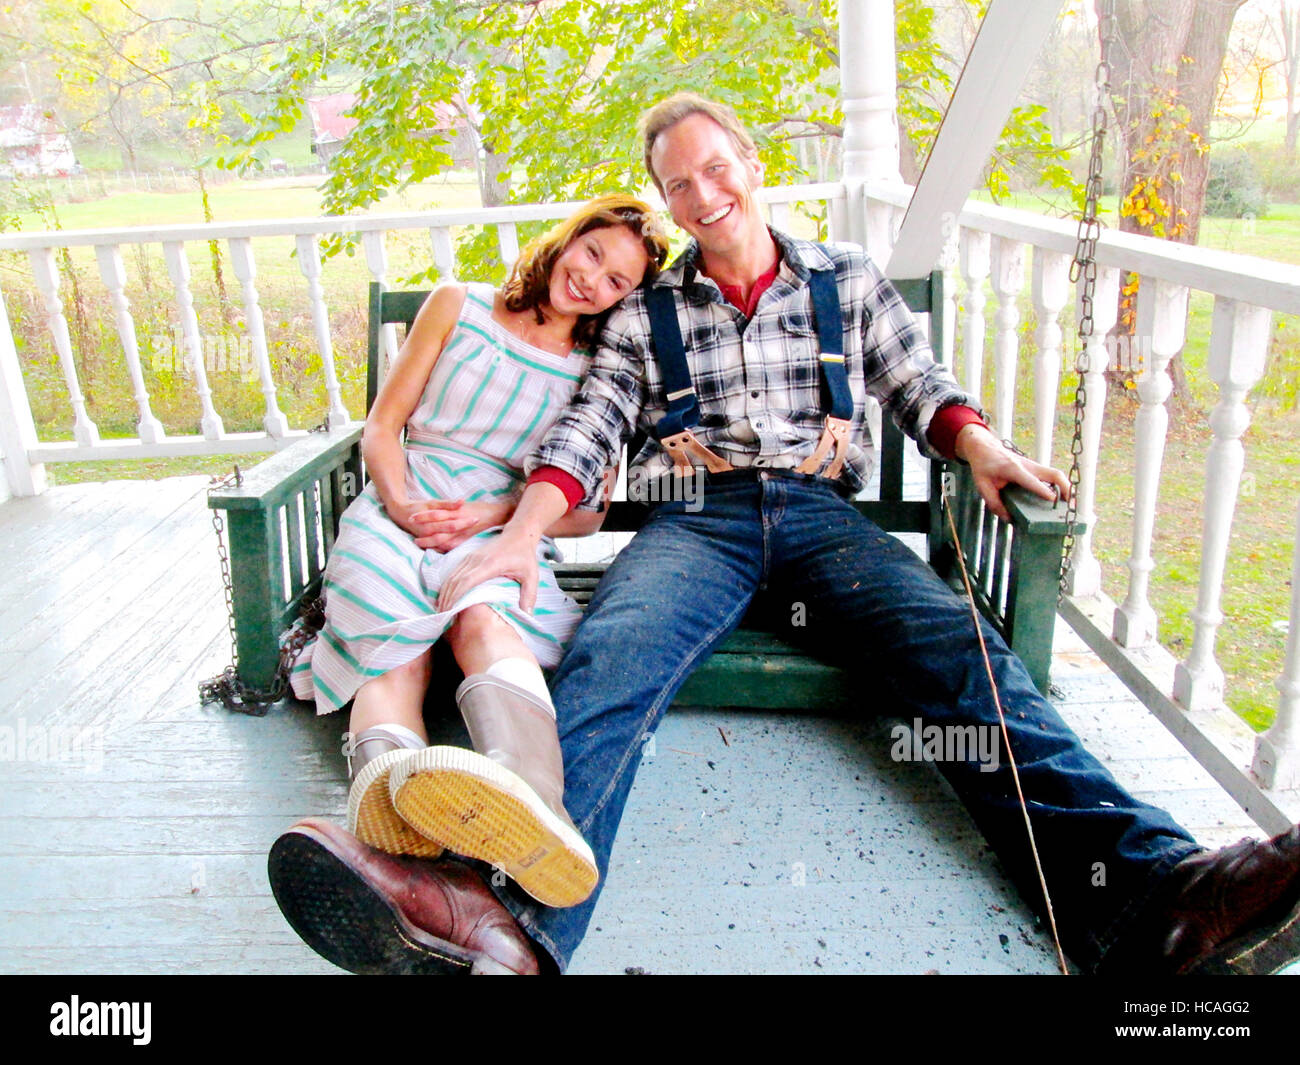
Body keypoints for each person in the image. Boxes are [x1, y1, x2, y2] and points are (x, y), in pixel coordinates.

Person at [272, 95, 1300, 977]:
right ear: (668, 203)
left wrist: (980, 451)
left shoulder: (842, 278)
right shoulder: (645, 314)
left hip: (819, 521)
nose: (702, 192)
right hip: (696, 526)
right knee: (610, 658)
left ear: (751, 168)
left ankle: (1152, 898)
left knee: (957, 654)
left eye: (714, 168)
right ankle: (498, 919)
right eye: (678, 183)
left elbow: (917, 383)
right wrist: (519, 534)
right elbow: (587, 434)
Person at [269, 196, 671, 956]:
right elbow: (383, 427)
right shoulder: (457, 303)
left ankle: (530, 806)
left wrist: (489, 516)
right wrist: (405, 504)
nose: (592, 282)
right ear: (567, 240)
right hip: (401, 502)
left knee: (482, 610)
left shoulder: (599, 369)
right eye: (591, 255)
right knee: (394, 645)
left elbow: (584, 514)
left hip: (500, 524)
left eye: (617, 281)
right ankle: (388, 817)